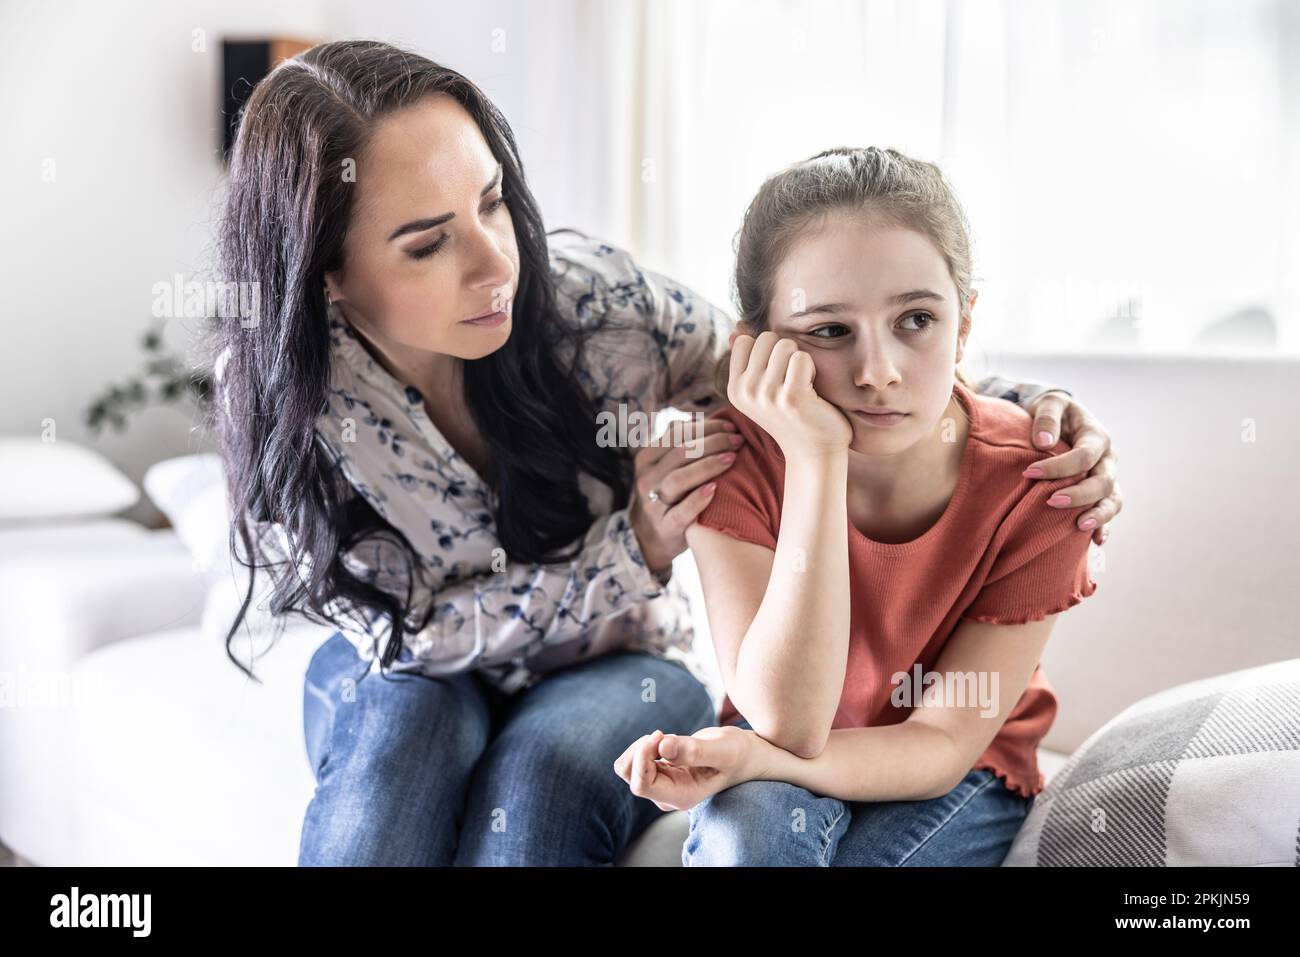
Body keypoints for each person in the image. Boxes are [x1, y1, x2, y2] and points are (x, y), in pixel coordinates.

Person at [209, 42, 1121, 866]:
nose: (496, 263)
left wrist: (1031, 413)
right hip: (407, 668)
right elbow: (403, 636)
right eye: (427, 244)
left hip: (604, 665)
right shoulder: (283, 398)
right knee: (388, 774)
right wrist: (635, 548)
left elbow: (803, 363)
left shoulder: (596, 305)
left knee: (542, 786)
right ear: (325, 269)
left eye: (490, 201)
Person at [615, 146, 1117, 867]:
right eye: (828, 330)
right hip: (775, 737)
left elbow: (940, 746)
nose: (878, 372)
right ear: (757, 351)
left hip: (953, 772)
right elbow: (787, 719)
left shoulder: (1043, 486)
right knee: (748, 836)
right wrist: (815, 458)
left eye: (915, 319)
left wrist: (766, 760)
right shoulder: (727, 464)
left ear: (964, 326)